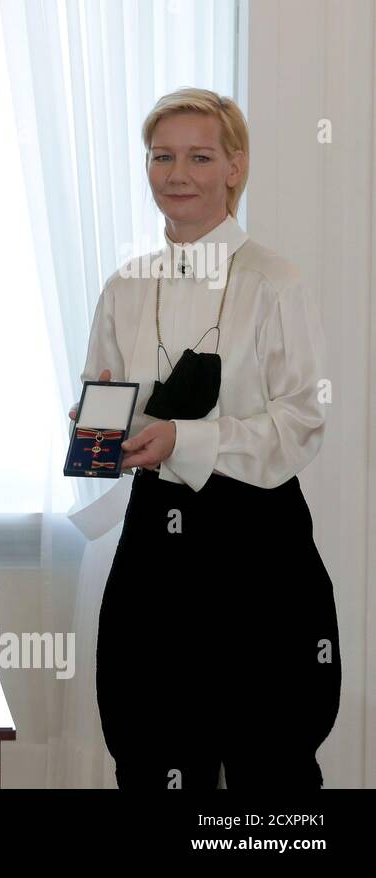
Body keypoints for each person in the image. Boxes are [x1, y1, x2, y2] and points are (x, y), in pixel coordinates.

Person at [77, 88, 341, 789]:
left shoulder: (276, 283)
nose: (177, 173)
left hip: (256, 537)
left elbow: (303, 419)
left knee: (272, 753)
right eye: (162, 156)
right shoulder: (124, 288)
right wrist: (97, 433)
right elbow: (103, 413)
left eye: (199, 155)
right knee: (148, 737)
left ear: (235, 167)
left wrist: (183, 442)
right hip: (153, 543)